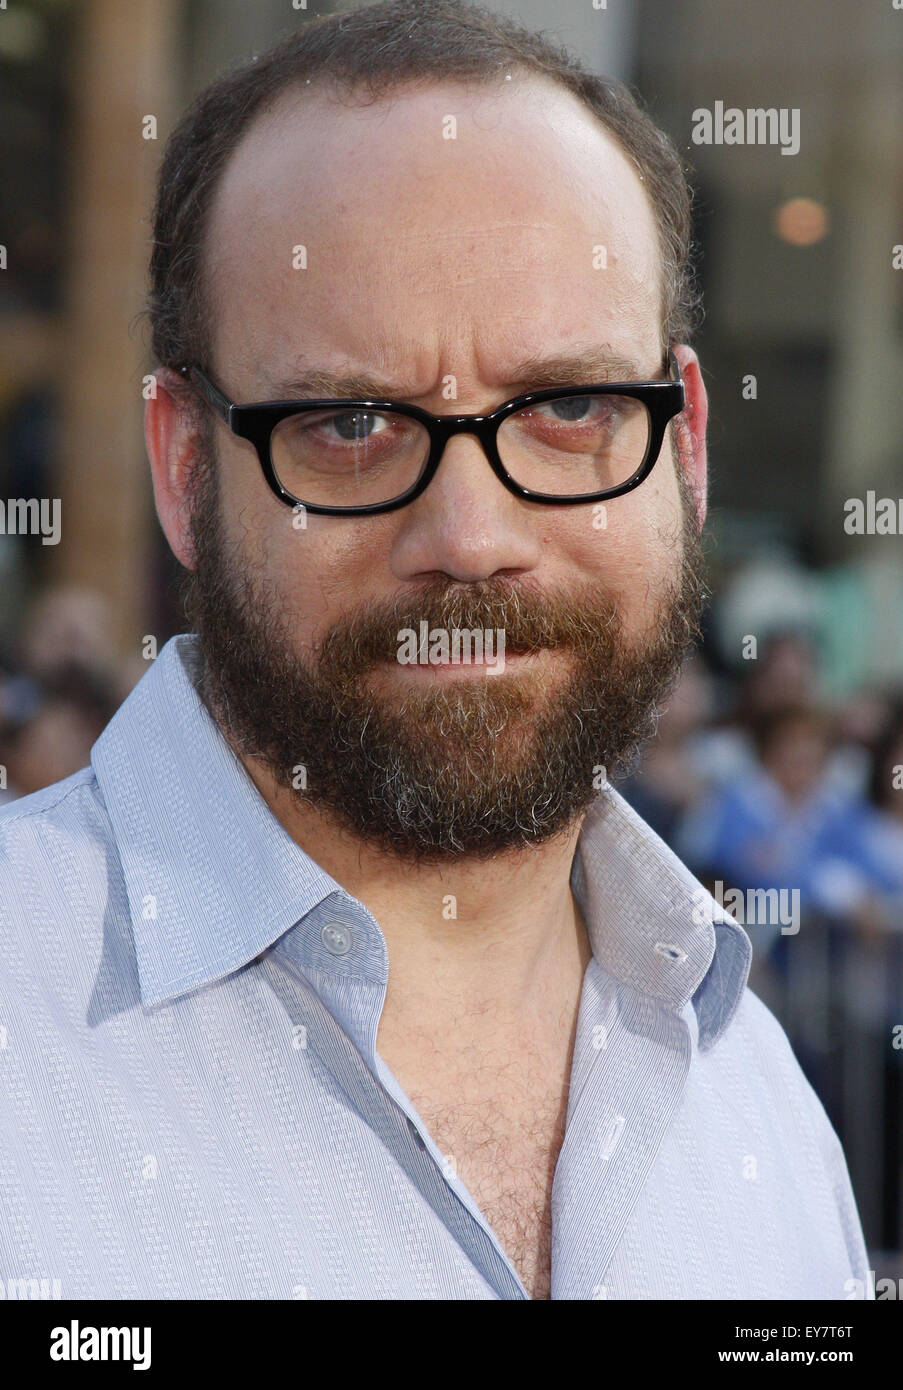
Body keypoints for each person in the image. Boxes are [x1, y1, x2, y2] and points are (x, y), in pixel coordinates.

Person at [0, 0, 870, 1300]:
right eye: (352, 423)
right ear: (184, 470)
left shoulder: (755, 1099)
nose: (471, 538)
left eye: (570, 406)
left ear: (685, 450)